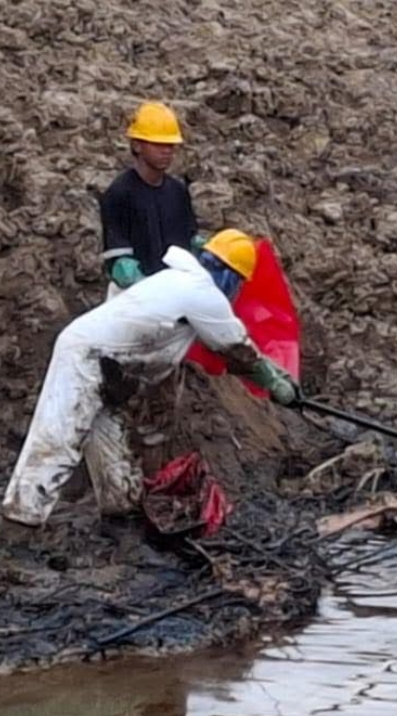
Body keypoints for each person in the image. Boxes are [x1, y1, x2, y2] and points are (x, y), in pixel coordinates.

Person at [1, 229, 299, 528]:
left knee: (110, 445)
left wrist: (276, 375)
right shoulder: (200, 291)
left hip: (113, 370)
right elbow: (237, 350)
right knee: (61, 436)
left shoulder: (179, 280)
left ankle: (118, 506)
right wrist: (275, 384)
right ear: (228, 274)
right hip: (87, 357)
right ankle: (21, 517)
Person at [99, 101, 204, 297]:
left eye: (170, 145)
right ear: (137, 145)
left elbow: (188, 241)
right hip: (133, 297)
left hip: (175, 293)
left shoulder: (177, 191)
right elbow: (117, 255)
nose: (167, 151)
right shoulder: (120, 193)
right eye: (158, 144)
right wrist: (128, 273)